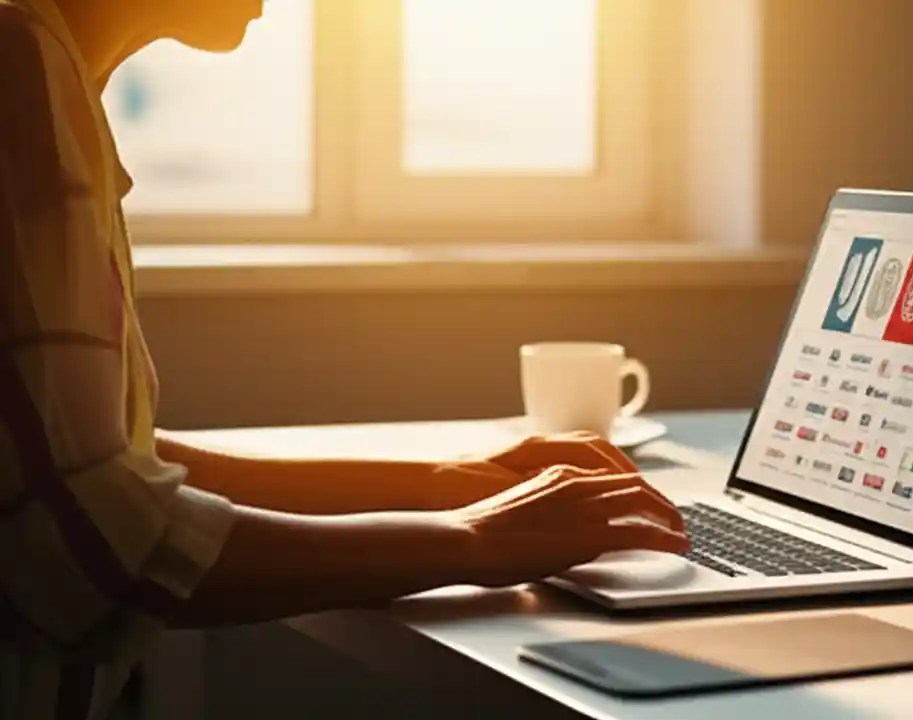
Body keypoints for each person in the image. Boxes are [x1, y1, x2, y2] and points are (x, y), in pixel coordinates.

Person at [0, 1, 689, 717]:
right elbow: (93, 543)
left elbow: (91, 466)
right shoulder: (18, 72)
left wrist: (453, 483)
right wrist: (476, 540)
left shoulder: (50, 70)